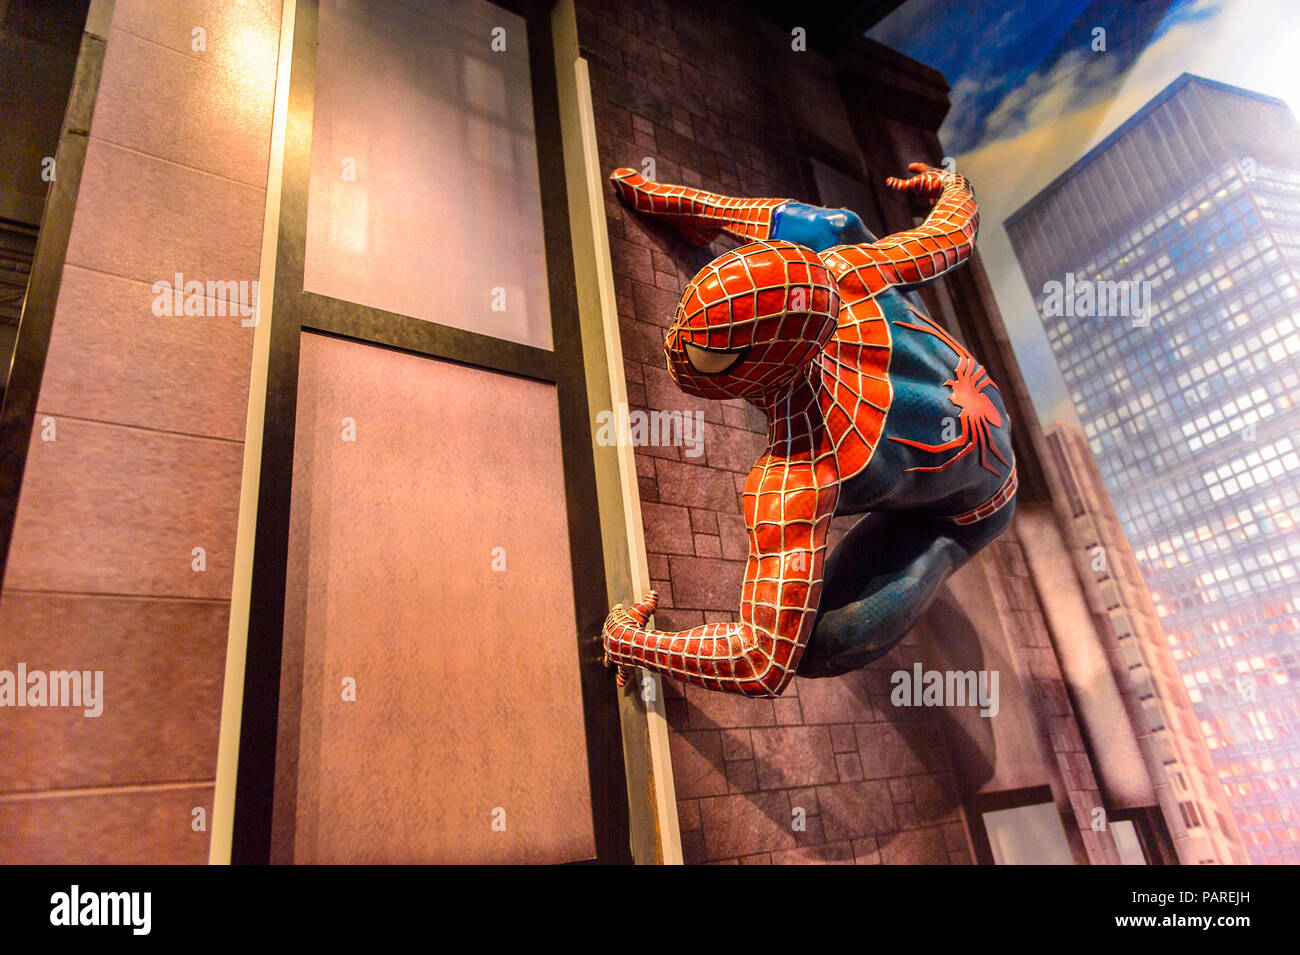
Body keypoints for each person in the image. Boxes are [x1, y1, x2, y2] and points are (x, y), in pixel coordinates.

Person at [602, 164, 1016, 697]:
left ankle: (693, 216)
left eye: (707, 355)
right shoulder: (848, 267)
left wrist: (631, 641)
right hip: (981, 409)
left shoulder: (806, 468)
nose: (672, 348)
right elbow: (953, 233)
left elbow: (761, 661)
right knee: (832, 228)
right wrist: (953, 185)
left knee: (825, 642)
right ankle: (693, 214)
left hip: (972, 510)